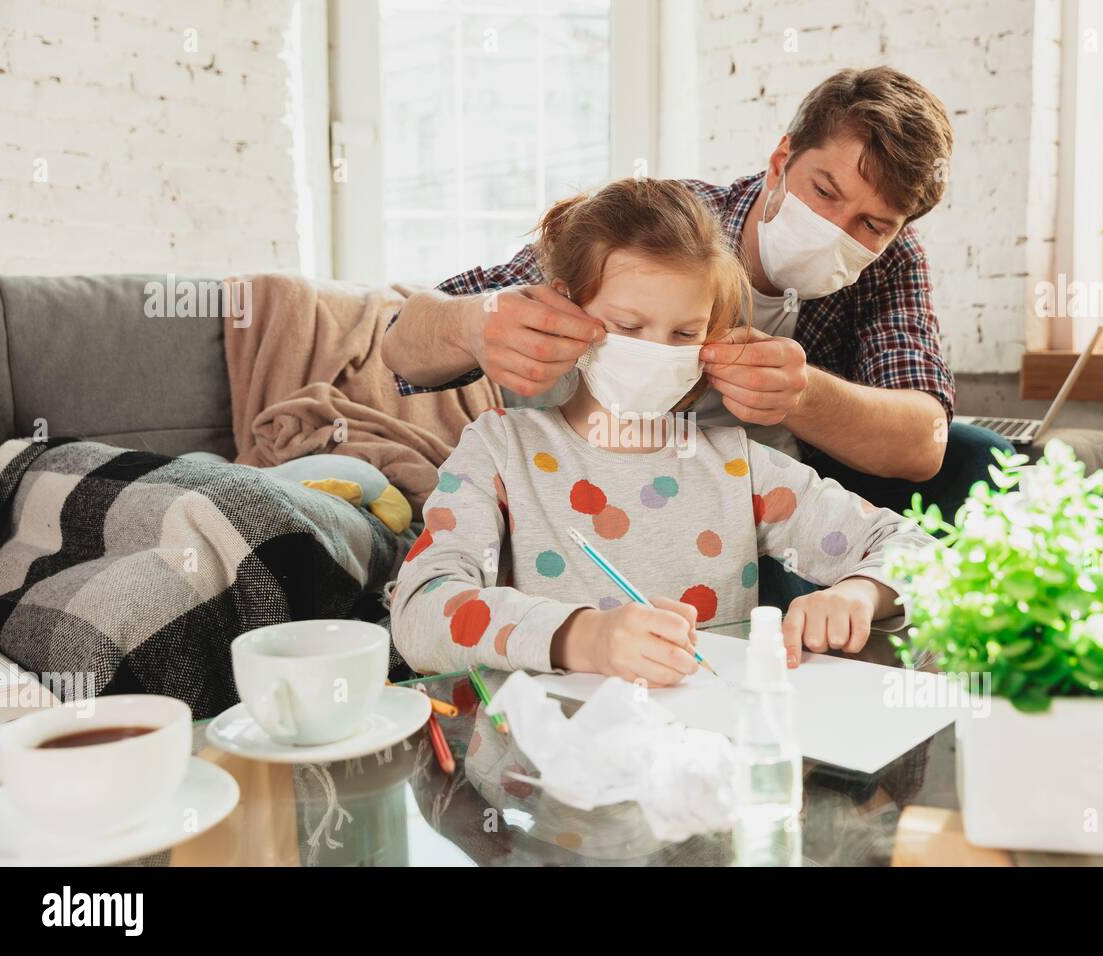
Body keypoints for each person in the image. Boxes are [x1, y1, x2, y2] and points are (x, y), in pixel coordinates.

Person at [383, 66, 1009, 607]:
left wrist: (799, 396)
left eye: (872, 224)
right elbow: (400, 343)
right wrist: (474, 323)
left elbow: (924, 439)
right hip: (613, 472)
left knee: (984, 462)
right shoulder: (665, 232)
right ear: (781, 160)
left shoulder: (891, 265)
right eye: (824, 191)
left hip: (760, 480)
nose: (835, 228)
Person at [390, 179, 932, 684]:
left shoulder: (738, 466)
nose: (656, 349)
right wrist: (584, 638)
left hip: (701, 754)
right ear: (565, 307)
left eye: (685, 332)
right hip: (543, 760)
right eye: (628, 327)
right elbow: (419, 612)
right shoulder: (501, 451)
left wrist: (861, 594)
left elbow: (922, 551)